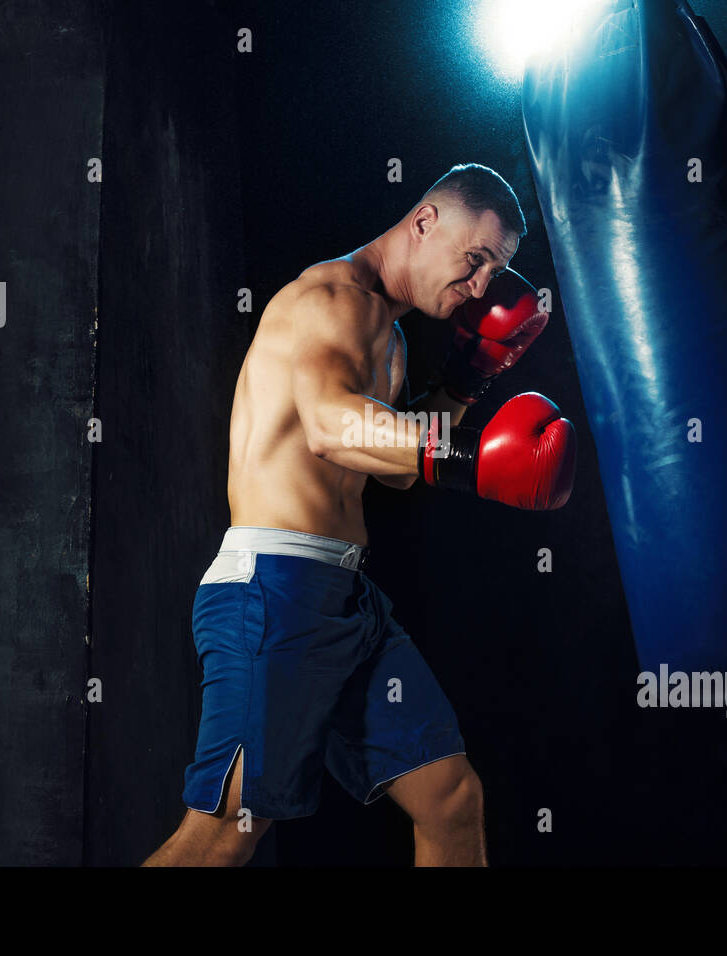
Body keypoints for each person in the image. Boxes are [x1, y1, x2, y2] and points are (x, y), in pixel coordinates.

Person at [142, 163, 575, 867]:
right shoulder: (333, 299)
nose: (481, 288)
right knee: (224, 833)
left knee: (451, 801)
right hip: (274, 593)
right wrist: (473, 457)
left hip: (344, 599)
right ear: (426, 221)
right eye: (476, 261)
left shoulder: (392, 339)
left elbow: (389, 468)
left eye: (494, 276)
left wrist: (467, 381)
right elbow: (332, 426)